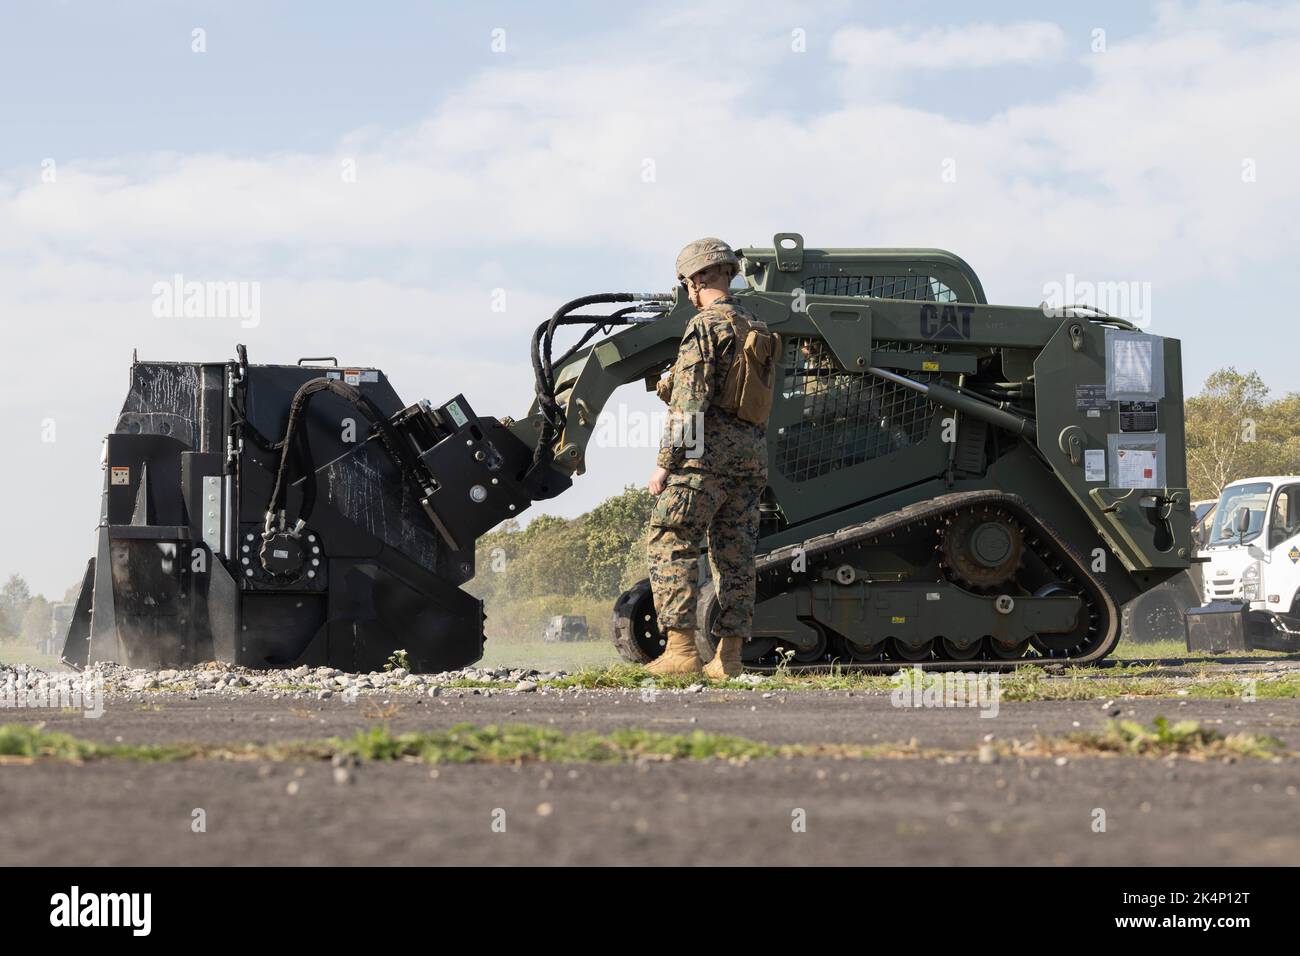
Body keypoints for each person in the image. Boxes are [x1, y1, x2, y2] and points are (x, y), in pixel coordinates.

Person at [645, 238, 773, 679]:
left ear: (697, 279)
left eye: (686, 283)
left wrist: (665, 463)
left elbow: (691, 402)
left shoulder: (705, 326)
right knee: (736, 558)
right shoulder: (757, 326)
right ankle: (729, 658)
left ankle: (681, 652)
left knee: (670, 539)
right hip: (749, 462)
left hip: (703, 462)